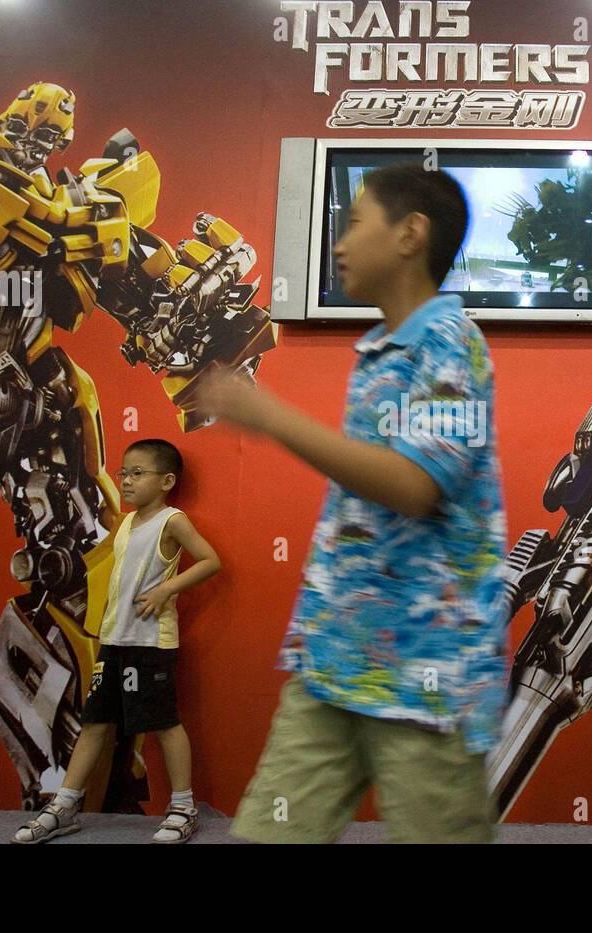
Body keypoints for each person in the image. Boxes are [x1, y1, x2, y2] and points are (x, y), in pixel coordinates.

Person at [196, 163, 507, 843]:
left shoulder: (452, 343)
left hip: (428, 674)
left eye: (357, 220)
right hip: (334, 662)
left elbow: (415, 485)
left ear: (410, 234)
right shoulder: (377, 352)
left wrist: (271, 417)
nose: (338, 241)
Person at [12, 438, 221, 843]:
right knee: (94, 724)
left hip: (151, 644)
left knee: (164, 724)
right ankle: (66, 804)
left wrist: (166, 591)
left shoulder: (172, 521)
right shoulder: (124, 523)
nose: (126, 481)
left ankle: (183, 806)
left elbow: (211, 560)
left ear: (167, 481)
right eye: (123, 472)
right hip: (114, 641)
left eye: (137, 474)